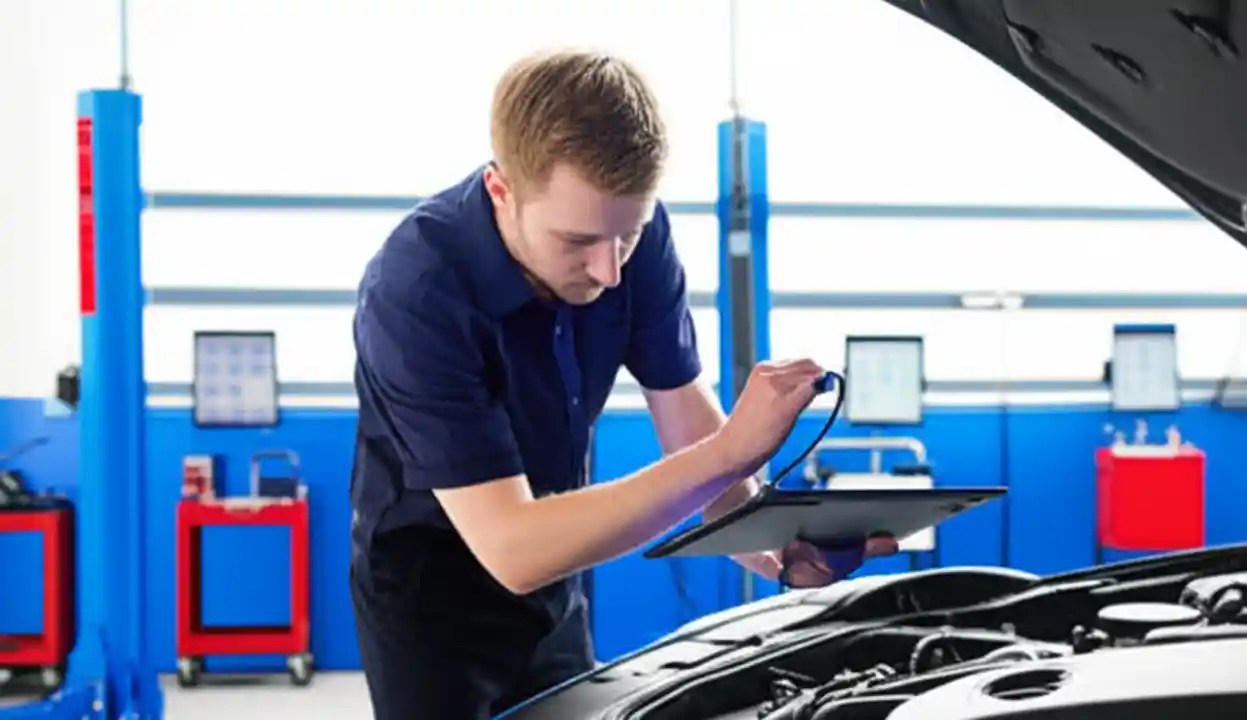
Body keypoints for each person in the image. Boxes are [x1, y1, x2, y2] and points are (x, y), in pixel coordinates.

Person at [347, 48, 899, 719]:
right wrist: (734, 451)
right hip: (431, 599)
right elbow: (513, 550)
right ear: (502, 191)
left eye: (627, 237)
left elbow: (686, 421)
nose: (609, 271)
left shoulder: (625, 233)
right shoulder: (417, 291)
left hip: (559, 580)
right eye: (577, 241)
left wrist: (773, 550)